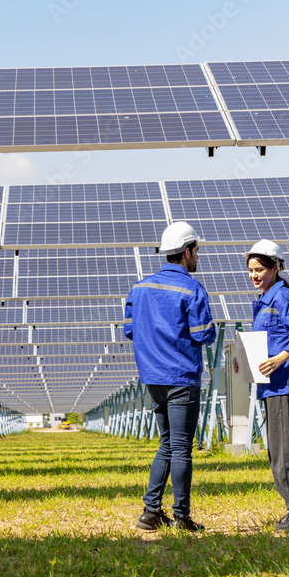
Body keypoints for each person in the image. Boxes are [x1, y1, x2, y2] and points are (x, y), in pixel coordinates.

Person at [124, 222, 216, 532]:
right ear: (187, 251)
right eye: (197, 251)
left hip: (153, 378)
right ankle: (181, 516)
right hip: (181, 377)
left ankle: (151, 513)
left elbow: (130, 331)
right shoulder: (192, 288)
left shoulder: (138, 289)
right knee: (181, 448)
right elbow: (204, 335)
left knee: (167, 445)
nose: (197, 257)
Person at [235, 240, 289, 533]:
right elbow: (266, 342)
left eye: (259, 270)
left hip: (285, 384)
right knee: (276, 452)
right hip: (271, 387)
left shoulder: (283, 298)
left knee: (284, 451)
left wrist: (280, 358)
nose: (254, 275)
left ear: (275, 268)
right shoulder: (264, 301)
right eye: (250, 270)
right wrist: (243, 359)